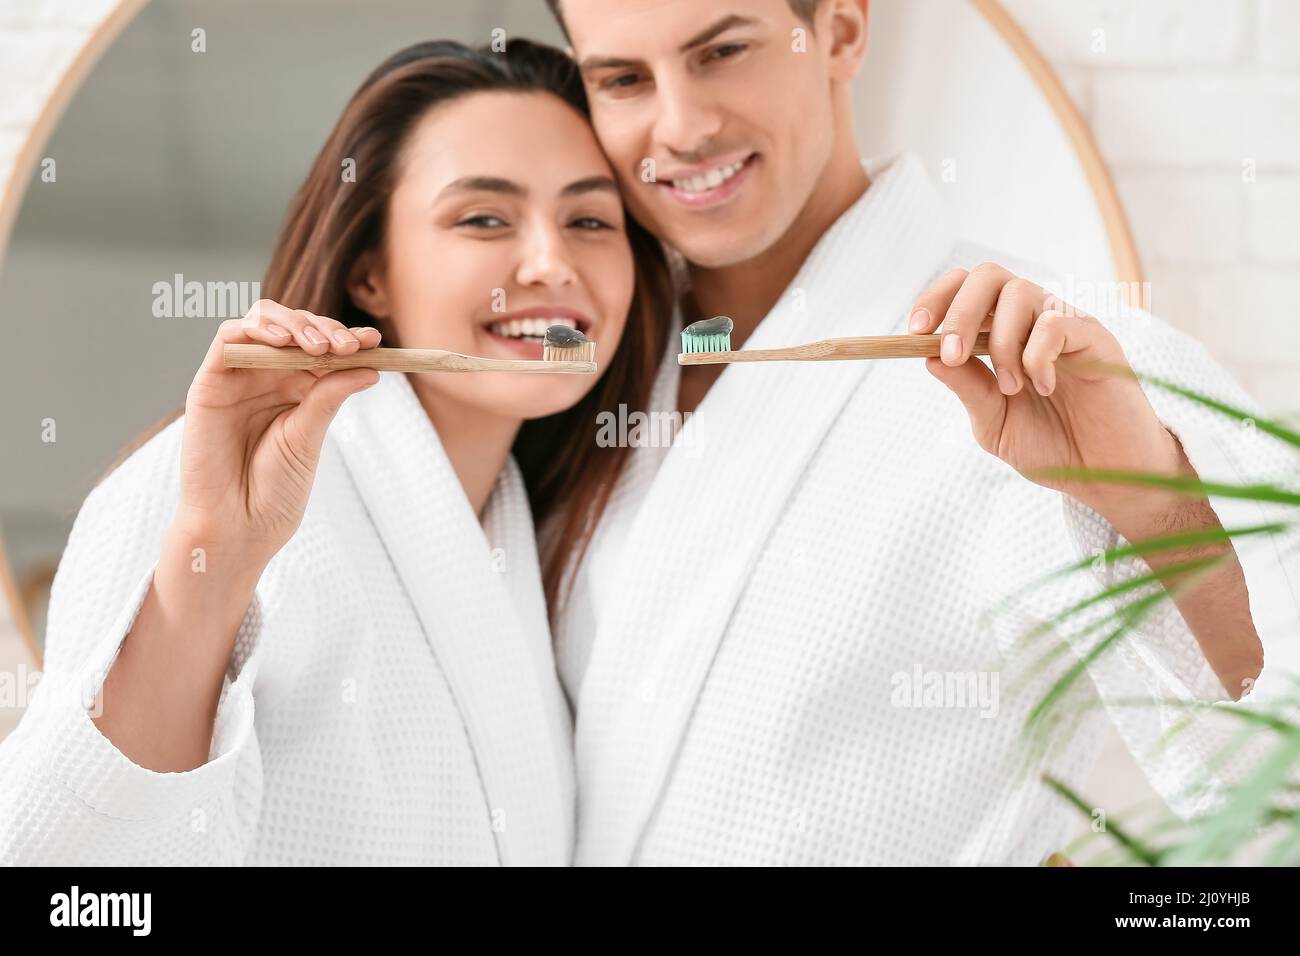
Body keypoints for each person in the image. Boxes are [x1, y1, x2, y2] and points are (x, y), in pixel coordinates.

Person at [543, 0, 1300, 864]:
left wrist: (1144, 497)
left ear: (843, 30)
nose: (679, 127)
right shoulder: (605, 376)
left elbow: (1274, 750)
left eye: (723, 51)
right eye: (624, 79)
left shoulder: (1063, 365)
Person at [0, 38, 671, 865]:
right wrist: (213, 555)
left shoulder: (527, 549)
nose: (551, 261)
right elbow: (71, 874)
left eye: (591, 219)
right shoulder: (208, 487)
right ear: (369, 275)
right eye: (484, 217)